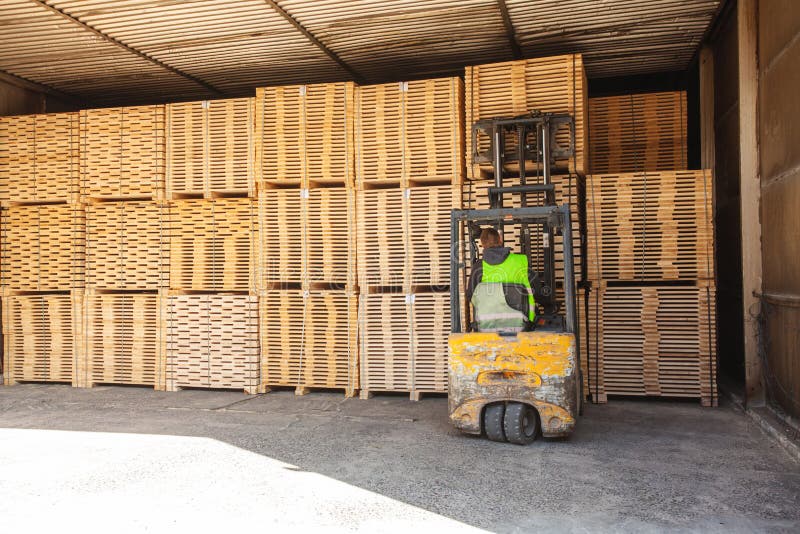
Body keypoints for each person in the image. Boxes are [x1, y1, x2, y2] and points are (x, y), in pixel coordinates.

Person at [466, 227, 536, 333]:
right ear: (500, 239)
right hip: (523, 324)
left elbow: (470, 296)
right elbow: (536, 290)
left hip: (486, 326)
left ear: (482, 245)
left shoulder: (479, 267)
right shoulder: (521, 261)